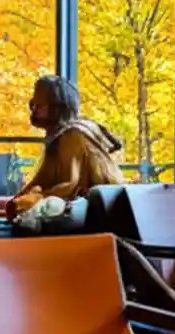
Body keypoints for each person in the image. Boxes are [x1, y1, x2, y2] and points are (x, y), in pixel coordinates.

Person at [7, 75, 125, 228]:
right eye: (32, 104)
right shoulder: (61, 134)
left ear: (57, 108)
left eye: (39, 105)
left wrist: (33, 199)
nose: (33, 110)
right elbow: (44, 179)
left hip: (94, 212)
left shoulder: (73, 135)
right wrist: (21, 198)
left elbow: (70, 185)